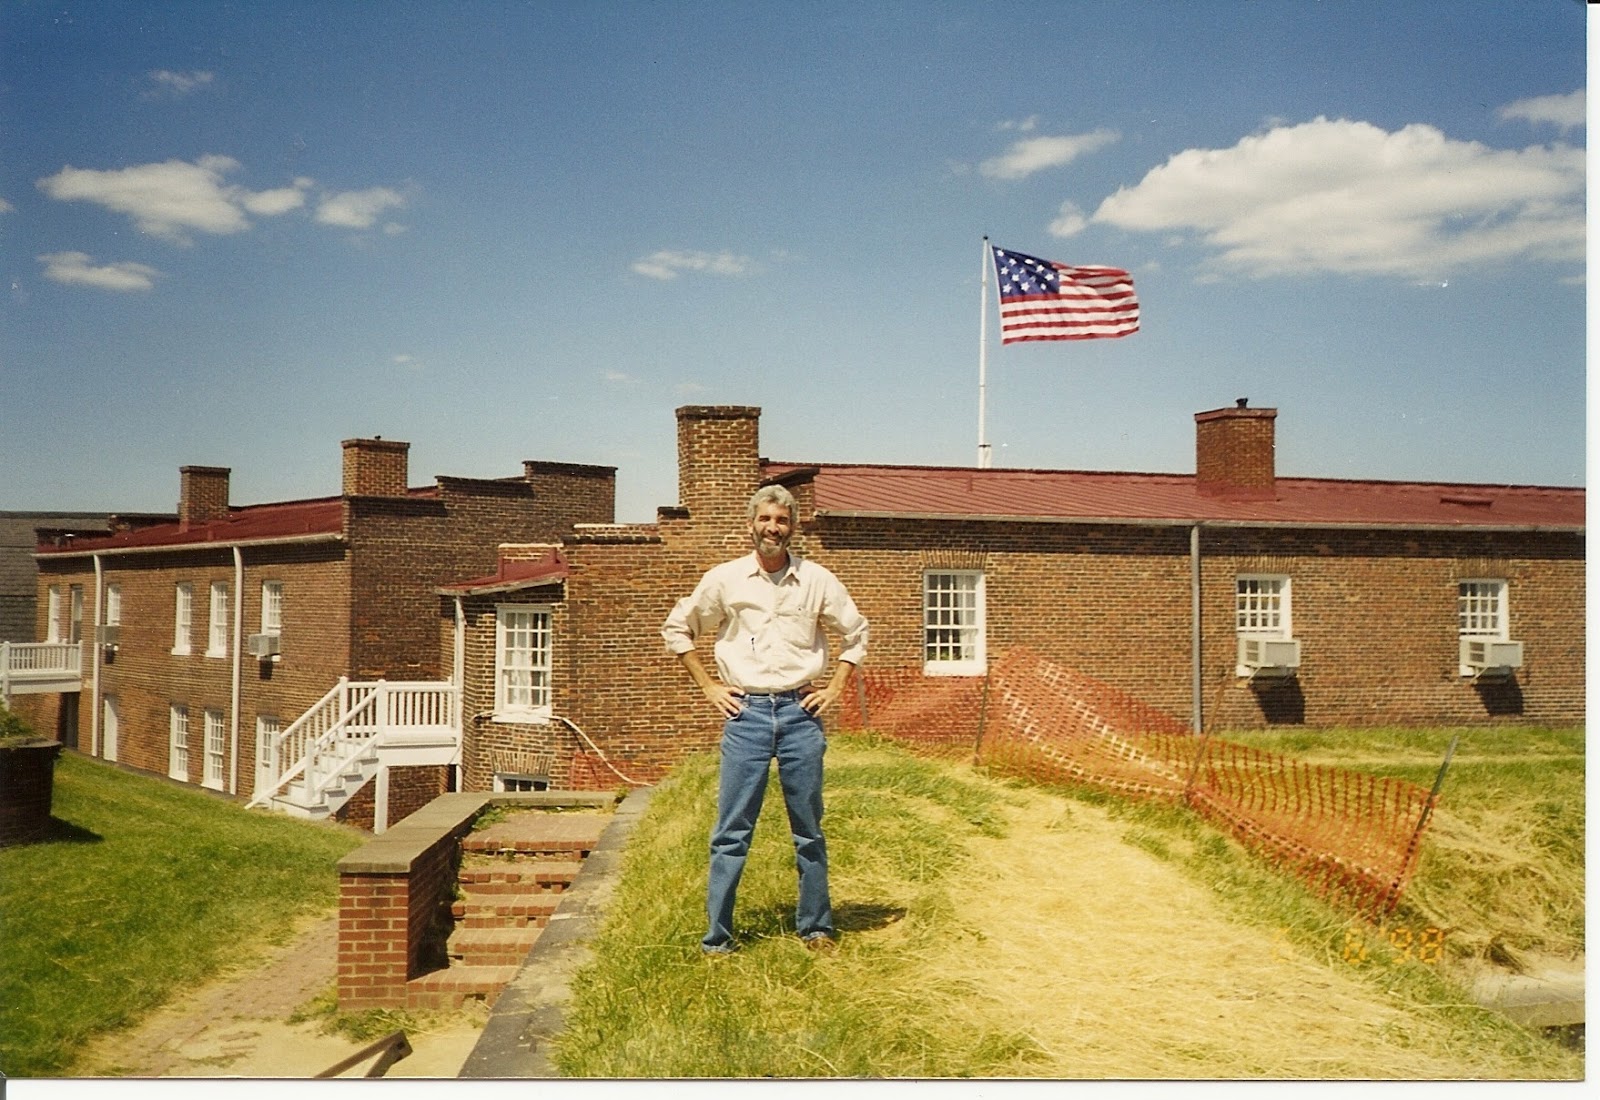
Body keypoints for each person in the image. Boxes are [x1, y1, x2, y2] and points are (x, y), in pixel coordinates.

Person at [661, 483, 869, 956]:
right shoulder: (726, 579)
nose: (772, 528)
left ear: (792, 528)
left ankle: (816, 928)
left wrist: (834, 688)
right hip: (747, 716)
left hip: (800, 715)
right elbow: (678, 627)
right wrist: (709, 686)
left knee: (809, 829)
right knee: (731, 831)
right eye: (765, 519)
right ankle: (718, 939)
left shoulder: (816, 581)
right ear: (750, 524)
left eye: (781, 521)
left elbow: (856, 633)